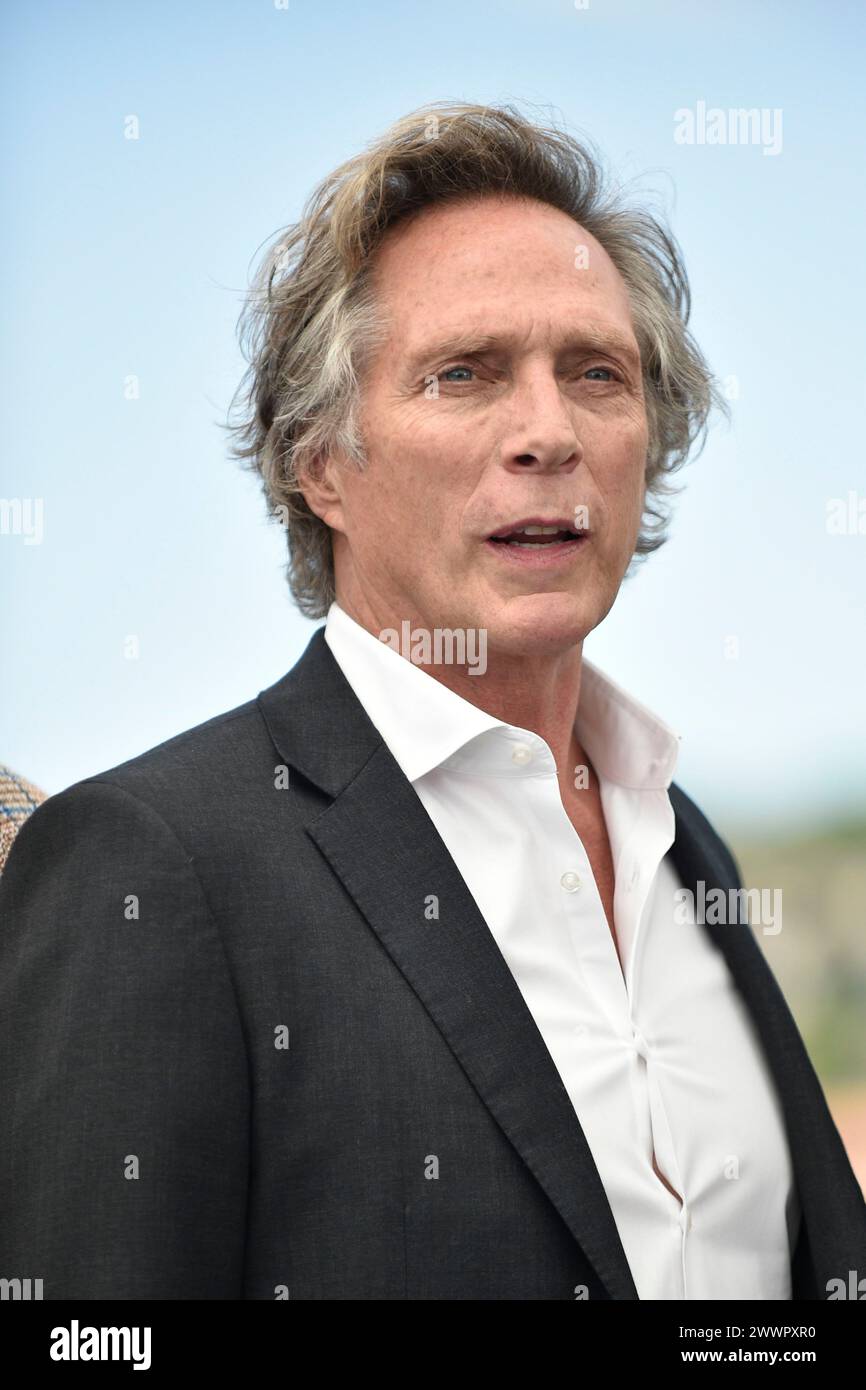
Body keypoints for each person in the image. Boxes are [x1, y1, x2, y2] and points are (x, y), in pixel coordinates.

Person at [1, 102, 863, 1300]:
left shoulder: (678, 837)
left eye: (594, 374)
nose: (547, 433)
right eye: (463, 375)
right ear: (319, 464)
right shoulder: (154, 861)